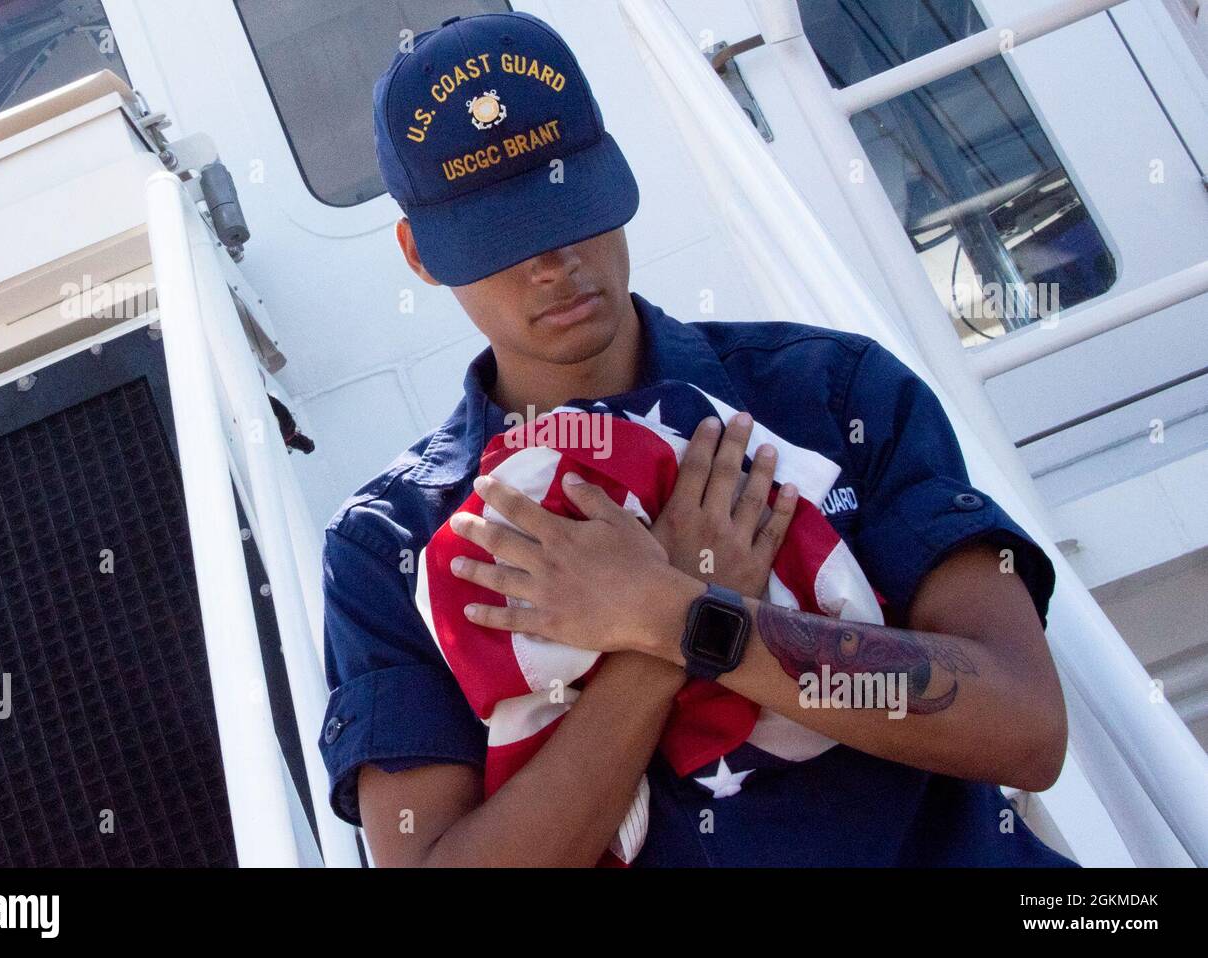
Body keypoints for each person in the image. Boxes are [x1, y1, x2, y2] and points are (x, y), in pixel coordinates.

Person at [319, 10, 1074, 867]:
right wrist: (664, 630)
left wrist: (674, 613)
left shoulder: (831, 390)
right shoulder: (391, 543)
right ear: (420, 254)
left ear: (618, 174)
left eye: (569, 207)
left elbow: (1025, 727)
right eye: (501, 236)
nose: (552, 262)